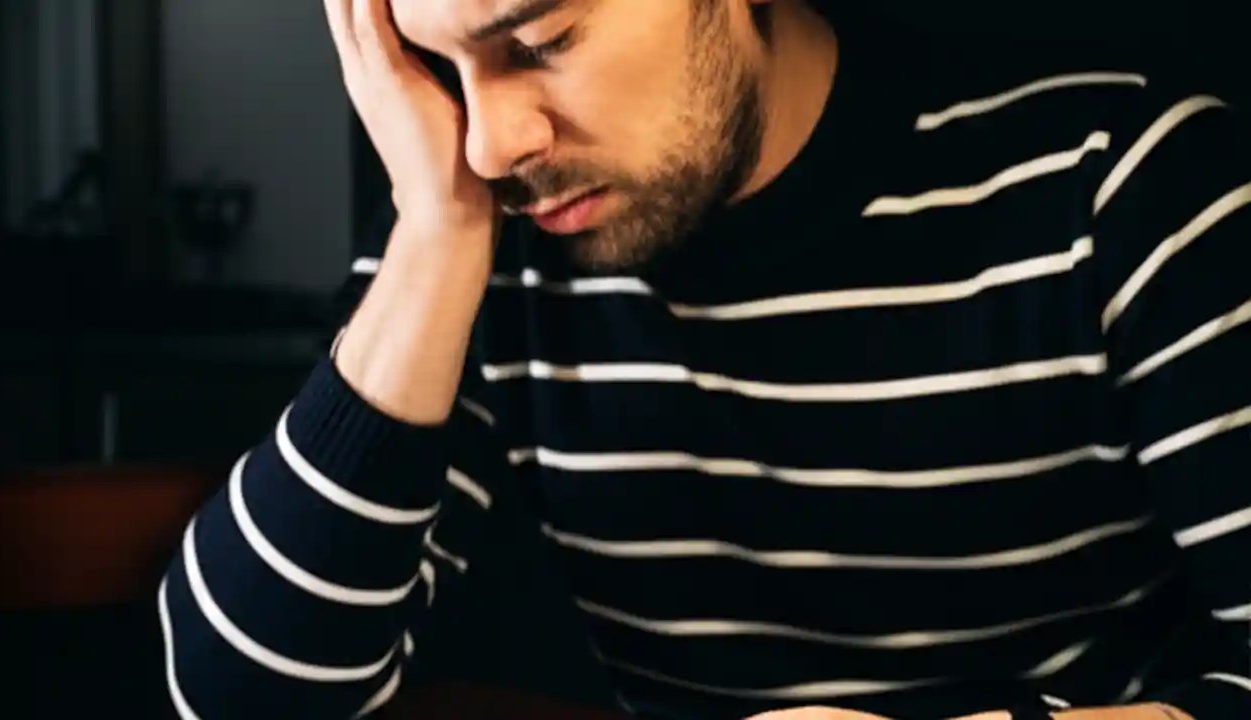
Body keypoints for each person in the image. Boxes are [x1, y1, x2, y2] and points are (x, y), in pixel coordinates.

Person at [157, 1, 1251, 718]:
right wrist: (436, 236)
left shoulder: (1117, 188)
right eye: (436, 70)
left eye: (539, 43)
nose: (490, 143)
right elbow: (238, 702)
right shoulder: (473, 248)